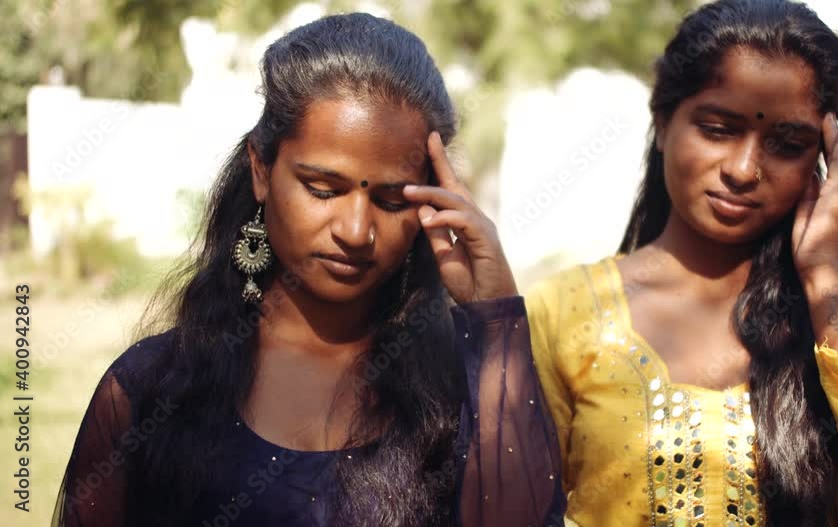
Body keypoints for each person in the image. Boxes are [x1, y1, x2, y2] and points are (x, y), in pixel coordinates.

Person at [54, 13, 564, 527]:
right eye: (323, 189)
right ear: (261, 169)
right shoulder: (152, 390)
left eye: (390, 200)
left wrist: (498, 323)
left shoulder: (460, 390)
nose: (356, 230)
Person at [525, 0, 838, 525]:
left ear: (824, 156)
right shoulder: (563, 314)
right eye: (718, 129)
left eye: (787, 144)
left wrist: (827, 280)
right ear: (662, 122)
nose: (745, 169)